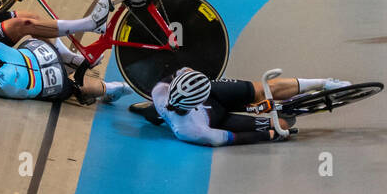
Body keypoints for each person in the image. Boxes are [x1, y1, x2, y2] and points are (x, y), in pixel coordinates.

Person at [130, 68, 352, 147]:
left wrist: (188, 73)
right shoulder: (191, 131)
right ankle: (291, 108)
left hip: (212, 93)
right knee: (283, 124)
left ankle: (324, 82)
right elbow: (233, 139)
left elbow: (183, 71)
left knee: (264, 89)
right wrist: (270, 135)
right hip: (217, 120)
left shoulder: (160, 90)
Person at [0, 38, 129, 104]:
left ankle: (111, 88)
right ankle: (69, 59)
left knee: (77, 87)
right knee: (33, 32)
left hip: (50, 83)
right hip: (39, 50)